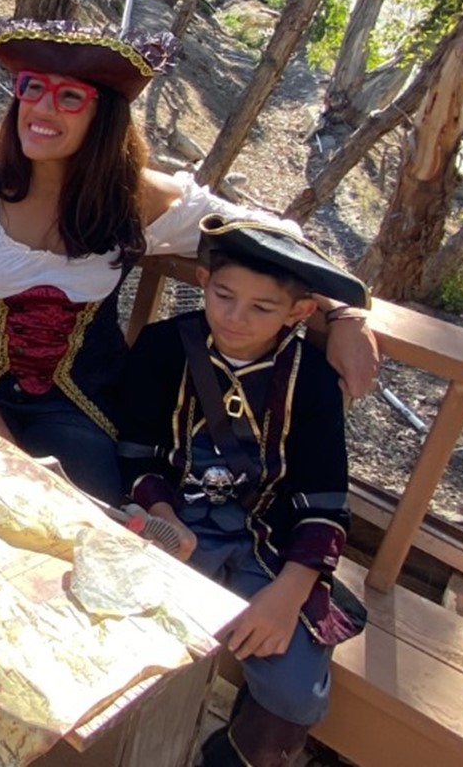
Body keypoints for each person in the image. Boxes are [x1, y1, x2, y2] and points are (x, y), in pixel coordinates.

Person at [0, 19, 379, 502]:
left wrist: (344, 312)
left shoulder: (136, 201)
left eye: (69, 97)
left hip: (74, 409)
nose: (42, 108)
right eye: (32, 88)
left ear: (104, 117)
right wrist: (2, 451)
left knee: (83, 520)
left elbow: (272, 237)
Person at [114, 215, 370, 767]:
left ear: (301, 312)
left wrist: (290, 593)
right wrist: (161, 517)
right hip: (178, 522)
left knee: (294, 687)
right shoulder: (164, 347)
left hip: (268, 542)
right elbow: (135, 452)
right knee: (127, 635)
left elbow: (324, 499)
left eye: (262, 307)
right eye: (223, 295)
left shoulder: (314, 382)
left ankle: (231, 755)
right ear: (203, 280)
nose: (235, 317)